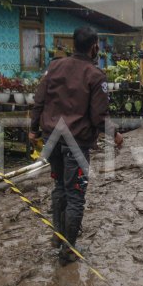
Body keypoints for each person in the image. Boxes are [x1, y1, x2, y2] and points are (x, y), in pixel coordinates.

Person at [29, 25, 123, 265]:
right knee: (76, 195)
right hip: (76, 144)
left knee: (59, 187)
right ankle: (68, 249)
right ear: (94, 47)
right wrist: (115, 134)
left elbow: (39, 99)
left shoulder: (54, 66)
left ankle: (57, 237)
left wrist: (32, 129)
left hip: (51, 139)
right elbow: (99, 117)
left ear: (73, 45)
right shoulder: (95, 75)